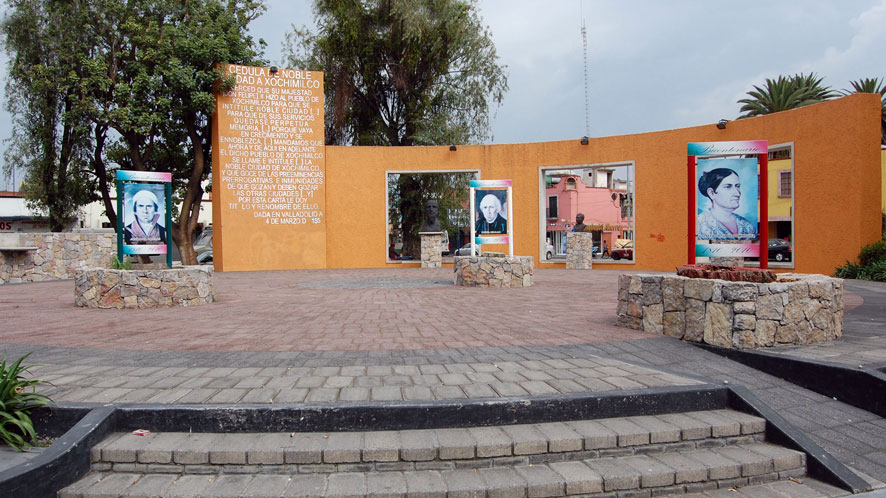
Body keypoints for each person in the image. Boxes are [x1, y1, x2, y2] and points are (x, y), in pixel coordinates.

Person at [697, 167, 756, 239]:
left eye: (737, 186)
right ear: (712, 193)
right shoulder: (699, 225)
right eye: (728, 187)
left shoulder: (748, 226)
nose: (737, 193)